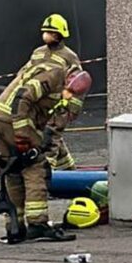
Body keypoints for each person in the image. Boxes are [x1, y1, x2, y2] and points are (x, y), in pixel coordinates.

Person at [0, 63, 91, 241]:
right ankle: (37, 224)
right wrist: (22, 134)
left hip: (0, 119)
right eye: (68, 90)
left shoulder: (53, 77)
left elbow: (59, 112)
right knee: (36, 167)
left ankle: (15, 225)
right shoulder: (52, 76)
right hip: (14, 122)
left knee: (14, 170)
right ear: (68, 78)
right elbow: (22, 98)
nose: (68, 94)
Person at [23, 13, 83, 170]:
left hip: (58, 107)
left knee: (49, 140)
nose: (46, 35)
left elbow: (78, 84)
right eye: (45, 31)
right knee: (51, 138)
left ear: (58, 35)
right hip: (39, 106)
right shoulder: (38, 53)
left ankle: (44, 178)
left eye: (50, 32)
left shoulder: (69, 57)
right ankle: (70, 172)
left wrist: (72, 109)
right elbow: (26, 74)